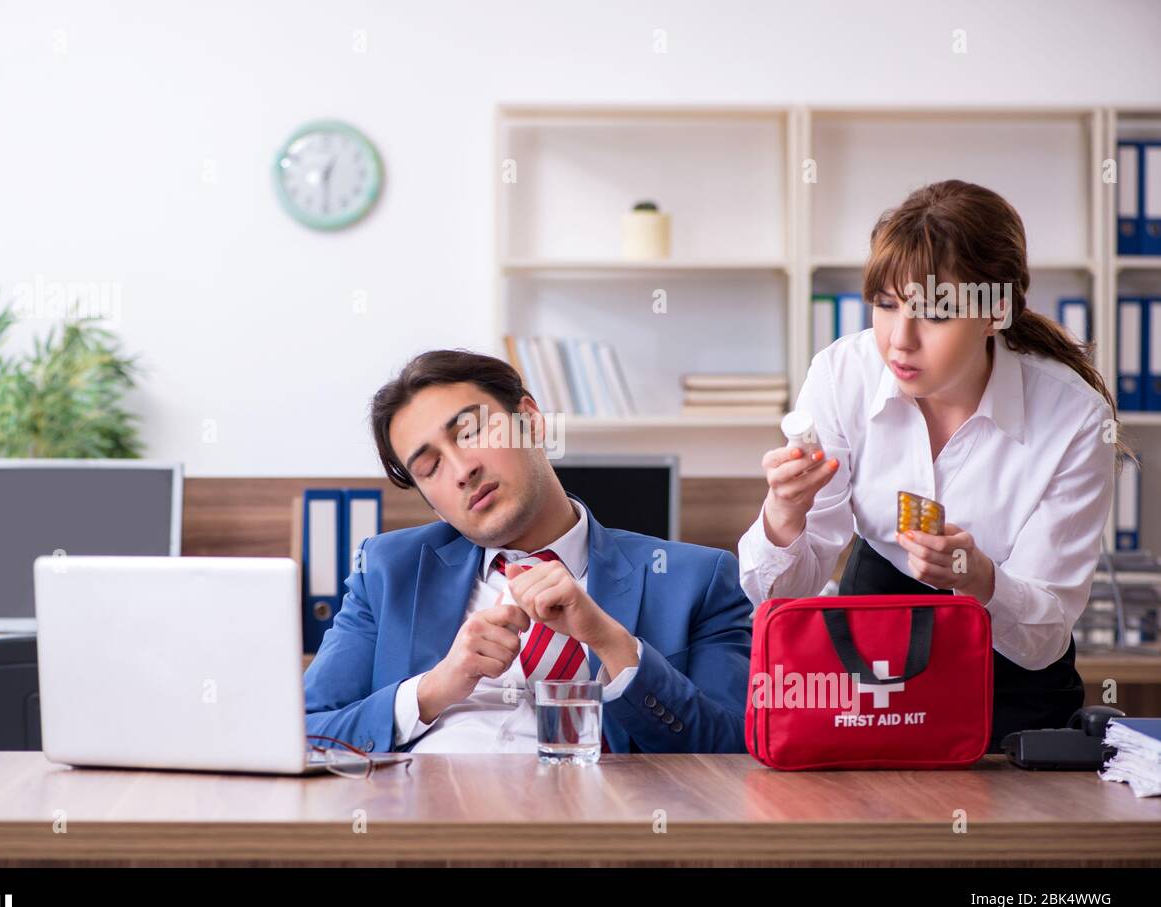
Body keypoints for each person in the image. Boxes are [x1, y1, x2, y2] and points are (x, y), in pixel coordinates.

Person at [738, 180, 1125, 751]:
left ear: (997, 312)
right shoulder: (842, 375)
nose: (900, 340)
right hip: (870, 672)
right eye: (887, 305)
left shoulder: (1074, 416)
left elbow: (1043, 637)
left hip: (1009, 695)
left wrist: (980, 581)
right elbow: (779, 595)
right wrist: (785, 516)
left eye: (935, 314)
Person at [303, 349, 753, 754]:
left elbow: (731, 748)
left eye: (471, 432)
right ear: (432, 503)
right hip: (423, 824)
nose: (462, 470)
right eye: (430, 467)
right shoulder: (387, 571)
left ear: (532, 421)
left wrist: (610, 644)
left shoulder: (697, 578)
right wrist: (434, 688)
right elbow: (308, 732)